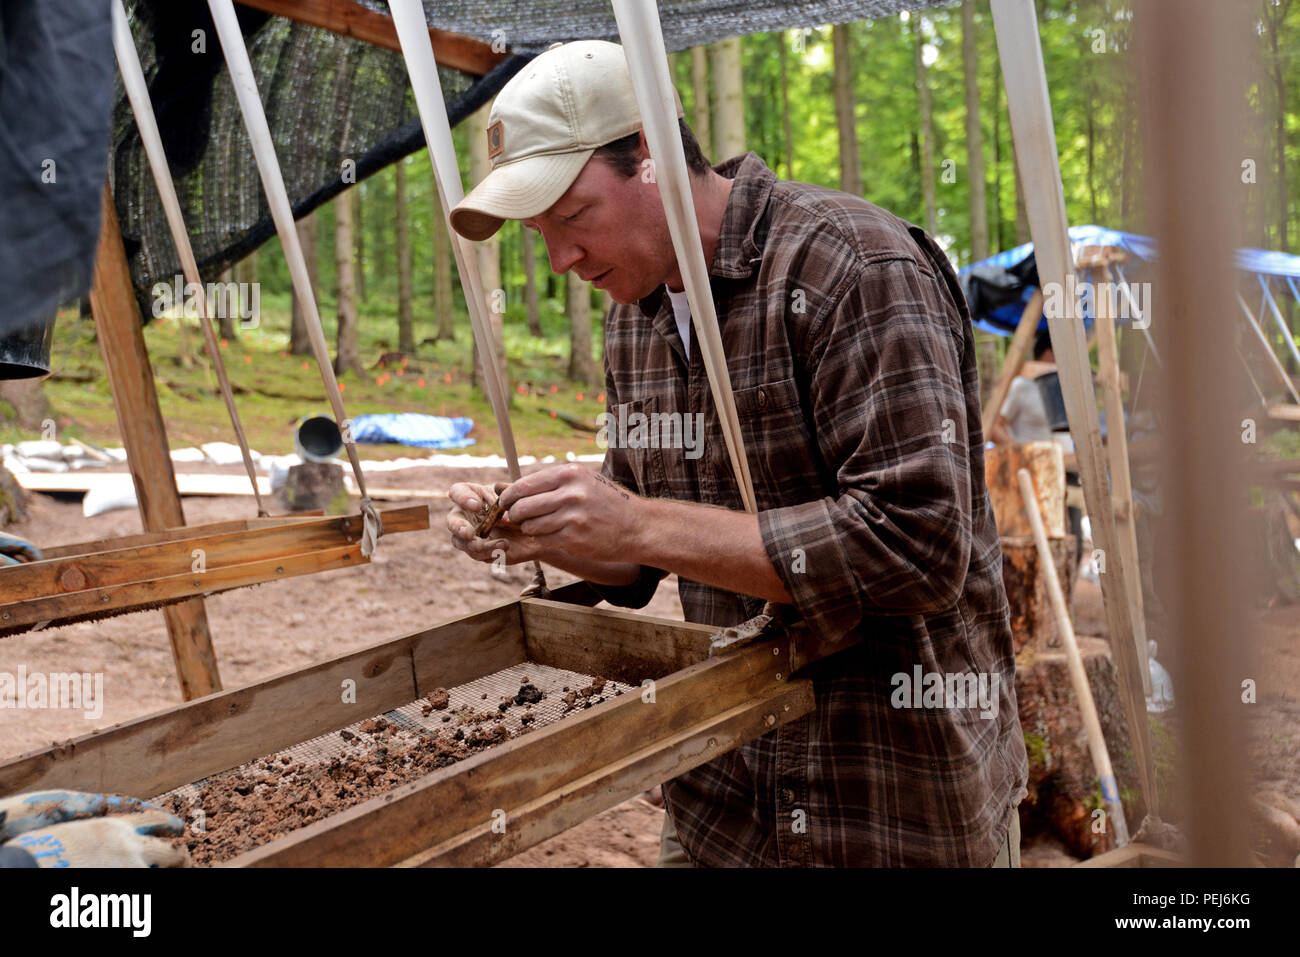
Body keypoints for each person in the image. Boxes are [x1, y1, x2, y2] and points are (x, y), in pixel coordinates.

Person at [444, 40, 1027, 867]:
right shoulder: (634, 314)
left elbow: (917, 545)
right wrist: (544, 525)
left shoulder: (851, 266)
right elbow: (640, 554)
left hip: (887, 802)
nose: (562, 260)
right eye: (540, 235)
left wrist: (640, 526)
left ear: (648, 155)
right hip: (721, 794)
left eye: (572, 218)